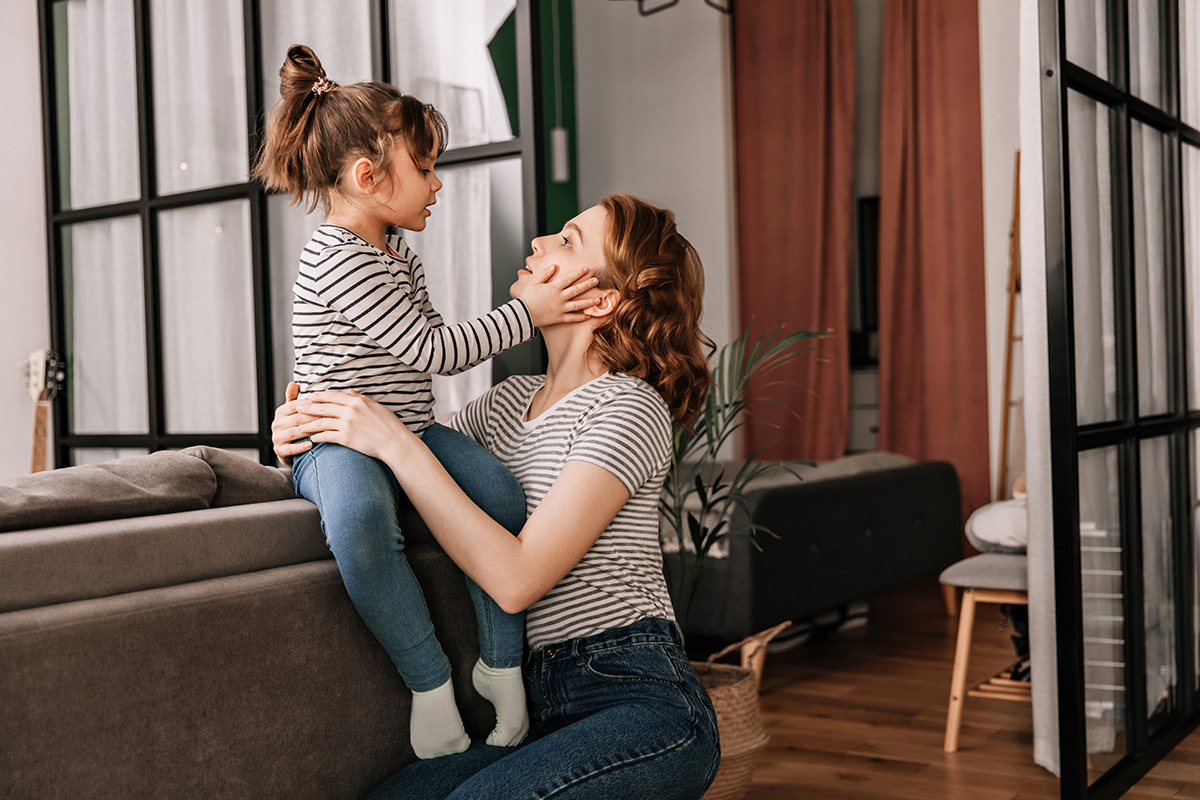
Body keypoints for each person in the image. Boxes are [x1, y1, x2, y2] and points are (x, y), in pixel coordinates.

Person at [272, 194, 722, 799]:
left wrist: (394, 440)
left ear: (604, 298)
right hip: (534, 707)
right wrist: (307, 438)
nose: (538, 243)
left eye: (567, 241)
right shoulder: (507, 403)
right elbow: (388, 473)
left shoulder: (630, 406)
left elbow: (517, 579)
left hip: (637, 695)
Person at [253, 44, 599, 759]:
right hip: (338, 443)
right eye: (427, 167)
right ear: (368, 177)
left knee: (501, 497)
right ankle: (430, 683)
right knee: (359, 524)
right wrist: (529, 311)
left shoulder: (394, 251)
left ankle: (500, 665)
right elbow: (435, 352)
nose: (438, 184)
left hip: (407, 428)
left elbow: (429, 342)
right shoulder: (335, 256)